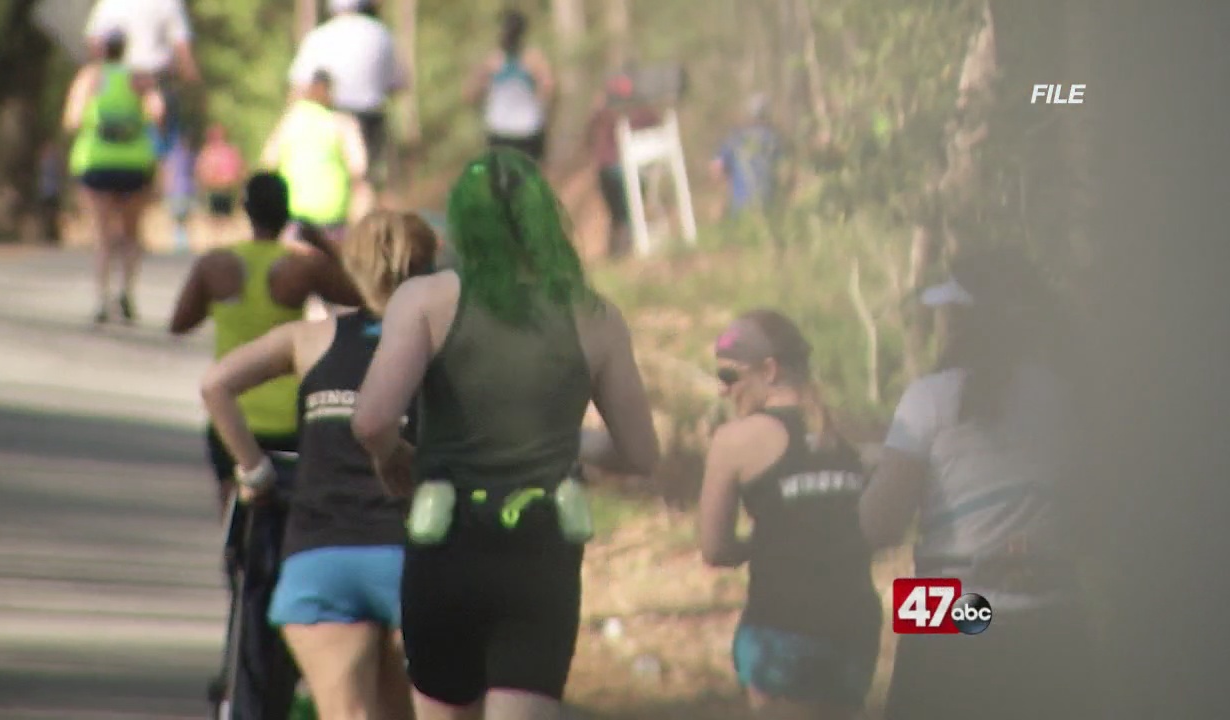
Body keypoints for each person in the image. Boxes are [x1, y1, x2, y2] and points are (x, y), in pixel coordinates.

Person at [350, 148, 660, 720]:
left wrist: (390, 457)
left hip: (447, 548)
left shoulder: (424, 300)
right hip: (540, 555)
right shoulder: (595, 315)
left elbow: (371, 420)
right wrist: (571, 444)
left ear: (462, 223)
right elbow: (641, 452)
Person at [202, 210, 435, 720]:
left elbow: (215, 384)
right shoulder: (442, 345)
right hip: (414, 561)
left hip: (319, 560)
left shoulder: (309, 340)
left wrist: (255, 470)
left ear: (351, 268)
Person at [859, 245, 1099, 720]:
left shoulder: (929, 398)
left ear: (963, 321)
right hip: (1054, 610)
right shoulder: (1069, 395)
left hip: (947, 606)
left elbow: (879, 525)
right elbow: (1093, 515)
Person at [169, 172, 362, 719]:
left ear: (245, 211)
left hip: (235, 425)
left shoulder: (216, 264)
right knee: (296, 540)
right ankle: (291, 650)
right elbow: (364, 297)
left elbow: (179, 323)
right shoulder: (303, 268)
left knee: (241, 530)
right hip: (297, 427)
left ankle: (242, 627)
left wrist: (223, 304)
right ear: (286, 212)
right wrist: (324, 245)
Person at [698, 310, 881, 720]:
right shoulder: (853, 428)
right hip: (854, 627)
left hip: (781, 630)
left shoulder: (735, 441)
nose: (724, 392)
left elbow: (714, 549)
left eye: (730, 378)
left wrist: (760, 541)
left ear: (769, 369)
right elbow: (880, 522)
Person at [63, 29, 164, 324]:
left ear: (100, 49)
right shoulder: (139, 78)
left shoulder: (90, 78)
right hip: (134, 163)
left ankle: (101, 298)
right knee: (132, 234)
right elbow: (158, 113)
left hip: (97, 162)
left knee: (102, 234)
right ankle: (127, 292)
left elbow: (72, 120)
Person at [288, 0, 407, 197]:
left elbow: (299, 86)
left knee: (332, 181)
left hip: (331, 118)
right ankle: (367, 224)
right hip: (372, 117)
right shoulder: (382, 34)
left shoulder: (320, 36)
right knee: (365, 181)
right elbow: (400, 84)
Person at [262, 70, 369, 251]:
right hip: (332, 216)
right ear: (330, 93)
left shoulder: (290, 121)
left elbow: (268, 161)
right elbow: (359, 167)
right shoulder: (341, 123)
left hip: (294, 215)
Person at [84, 0, 203, 161]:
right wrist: (193, 83)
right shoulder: (169, 3)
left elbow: (94, 41)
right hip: (156, 82)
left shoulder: (110, 3)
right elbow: (181, 47)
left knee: (115, 144)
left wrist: (97, 75)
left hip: (116, 83)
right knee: (159, 153)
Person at [464, 9, 555, 165]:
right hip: (528, 129)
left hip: (499, 129)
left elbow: (469, 94)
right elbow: (549, 88)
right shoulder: (534, 58)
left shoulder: (492, 60)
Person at [585, 73, 660, 259]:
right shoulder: (642, 113)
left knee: (620, 216)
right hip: (619, 171)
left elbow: (589, 139)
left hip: (614, 171)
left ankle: (620, 251)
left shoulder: (604, 114)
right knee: (624, 215)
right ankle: (621, 251)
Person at [711, 94, 784, 219]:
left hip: (741, 207)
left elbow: (717, 168)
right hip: (769, 206)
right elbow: (785, 169)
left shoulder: (735, 140)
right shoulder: (774, 140)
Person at [195, 123, 246, 248]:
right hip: (215, 190)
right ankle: (217, 245)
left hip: (225, 190)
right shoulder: (209, 152)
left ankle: (221, 245)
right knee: (215, 221)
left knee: (224, 221)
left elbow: (240, 170)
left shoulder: (227, 151)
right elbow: (201, 171)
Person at [164, 136, 196, 253]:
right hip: (185, 190)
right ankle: (182, 242)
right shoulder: (189, 156)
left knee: (180, 218)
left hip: (179, 190)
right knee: (182, 218)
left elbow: (168, 173)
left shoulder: (173, 156)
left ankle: (181, 242)